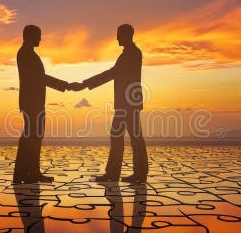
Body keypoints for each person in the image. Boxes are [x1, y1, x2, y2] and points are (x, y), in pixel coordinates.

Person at [75, 24, 148, 183]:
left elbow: (112, 73)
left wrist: (85, 84)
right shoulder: (130, 53)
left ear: (127, 35)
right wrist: (86, 84)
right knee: (127, 137)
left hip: (128, 104)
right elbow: (113, 73)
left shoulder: (131, 54)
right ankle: (130, 173)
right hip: (128, 103)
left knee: (126, 137)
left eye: (119, 35)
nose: (117, 39)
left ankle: (122, 174)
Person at [14, 24, 79, 184]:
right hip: (31, 102)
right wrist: (66, 85)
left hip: (34, 101)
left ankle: (31, 172)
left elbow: (39, 77)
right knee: (31, 137)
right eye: (38, 35)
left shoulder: (28, 53)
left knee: (34, 137)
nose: (40, 39)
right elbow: (39, 78)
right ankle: (25, 174)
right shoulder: (26, 54)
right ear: (29, 36)